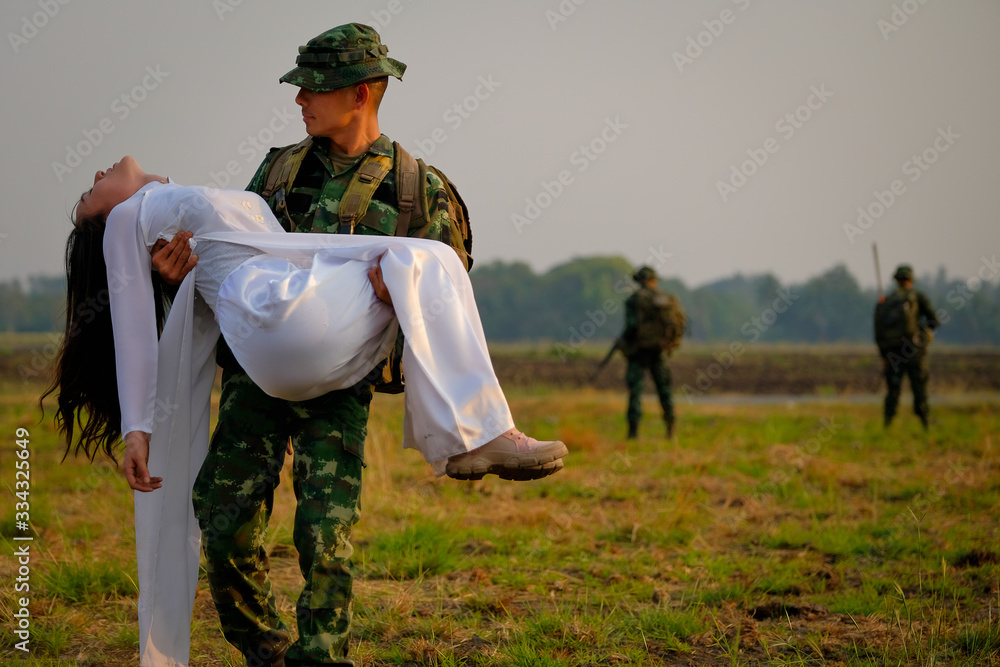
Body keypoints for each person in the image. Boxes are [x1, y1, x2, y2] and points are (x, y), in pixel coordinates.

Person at [47, 156, 568, 666]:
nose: (93, 176)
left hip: (297, 317)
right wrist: (138, 429)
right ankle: (473, 436)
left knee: (428, 260)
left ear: (362, 92)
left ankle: (473, 438)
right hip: (270, 325)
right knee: (423, 261)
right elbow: (134, 330)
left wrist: (382, 283)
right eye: (86, 198)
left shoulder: (407, 176)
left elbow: (287, 254)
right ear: (102, 220)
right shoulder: (127, 218)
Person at [145, 23, 539, 667]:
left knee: (325, 534)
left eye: (313, 89)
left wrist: (403, 285)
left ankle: (323, 657)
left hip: (340, 383)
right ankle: (267, 650)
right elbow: (238, 266)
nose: (299, 100)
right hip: (255, 378)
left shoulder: (417, 186)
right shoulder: (275, 171)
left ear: (360, 93)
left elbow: (449, 285)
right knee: (222, 516)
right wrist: (177, 278)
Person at [620, 266, 684, 440]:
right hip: (659, 351)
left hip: (638, 352)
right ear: (653, 280)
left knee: (635, 392)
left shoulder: (634, 300)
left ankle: (633, 433)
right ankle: (671, 430)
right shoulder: (665, 299)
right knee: (664, 391)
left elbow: (631, 327)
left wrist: (623, 342)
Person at [874, 264, 940, 429]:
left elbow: (879, 333)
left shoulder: (886, 301)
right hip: (914, 350)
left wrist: (883, 355)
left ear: (896, 280)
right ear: (911, 279)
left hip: (893, 353)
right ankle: (926, 424)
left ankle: (887, 425)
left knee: (893, 390)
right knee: (919, 388)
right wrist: (923, 334)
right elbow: (934, 321)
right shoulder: (917, 297)